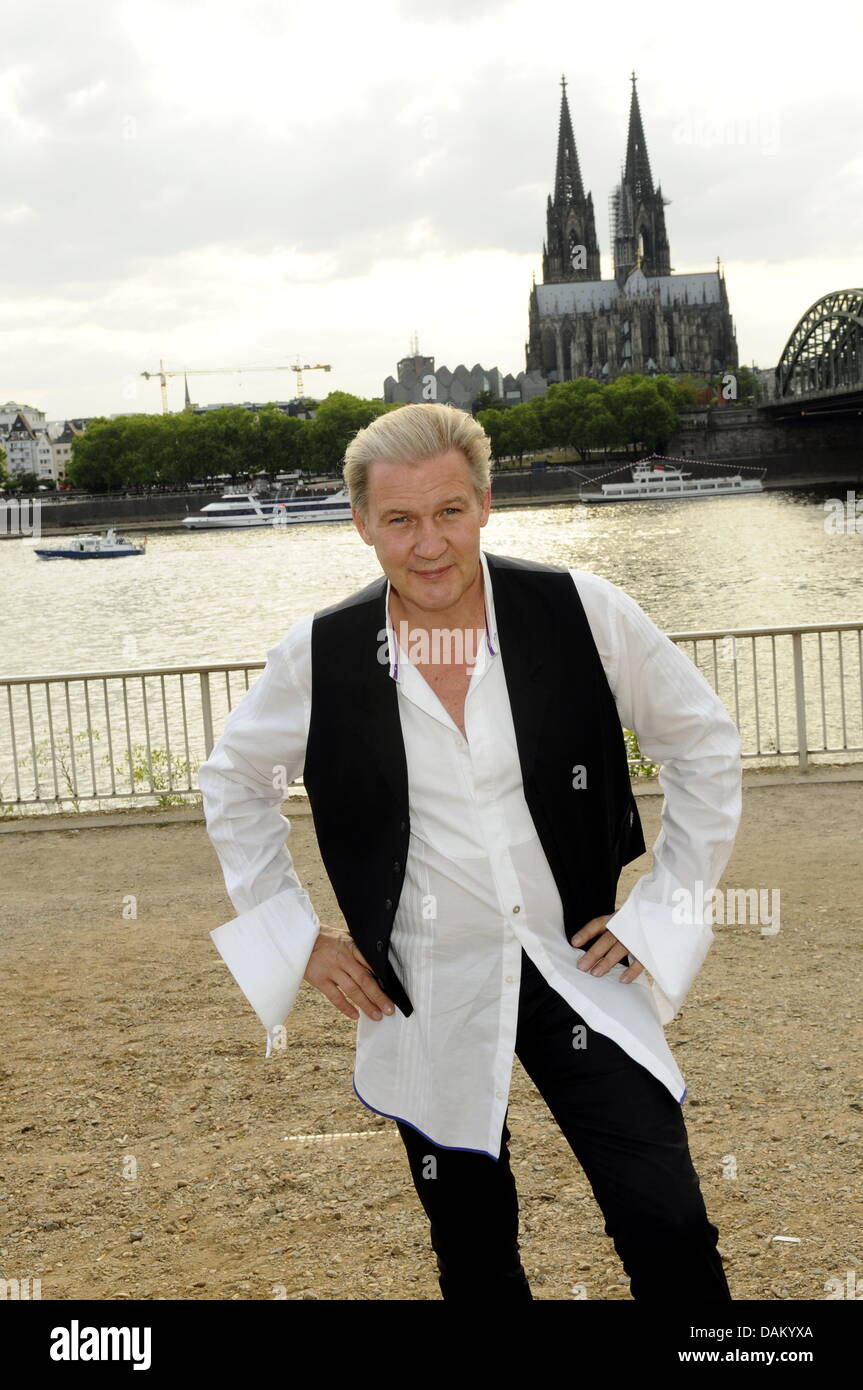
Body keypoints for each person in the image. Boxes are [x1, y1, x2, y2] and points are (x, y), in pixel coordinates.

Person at [197, 402, 742, 1302]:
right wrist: (295, 940)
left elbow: (703, 746)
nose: (427, 544)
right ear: (361, 524)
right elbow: (233, 783)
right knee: (474, 1253)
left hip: (576, 966)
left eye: (448, 511)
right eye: (400, 519)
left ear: (485, 504)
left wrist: (664, 906)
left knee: (669, 1227)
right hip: (426, 985)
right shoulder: (321, 654)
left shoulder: (582, 610)